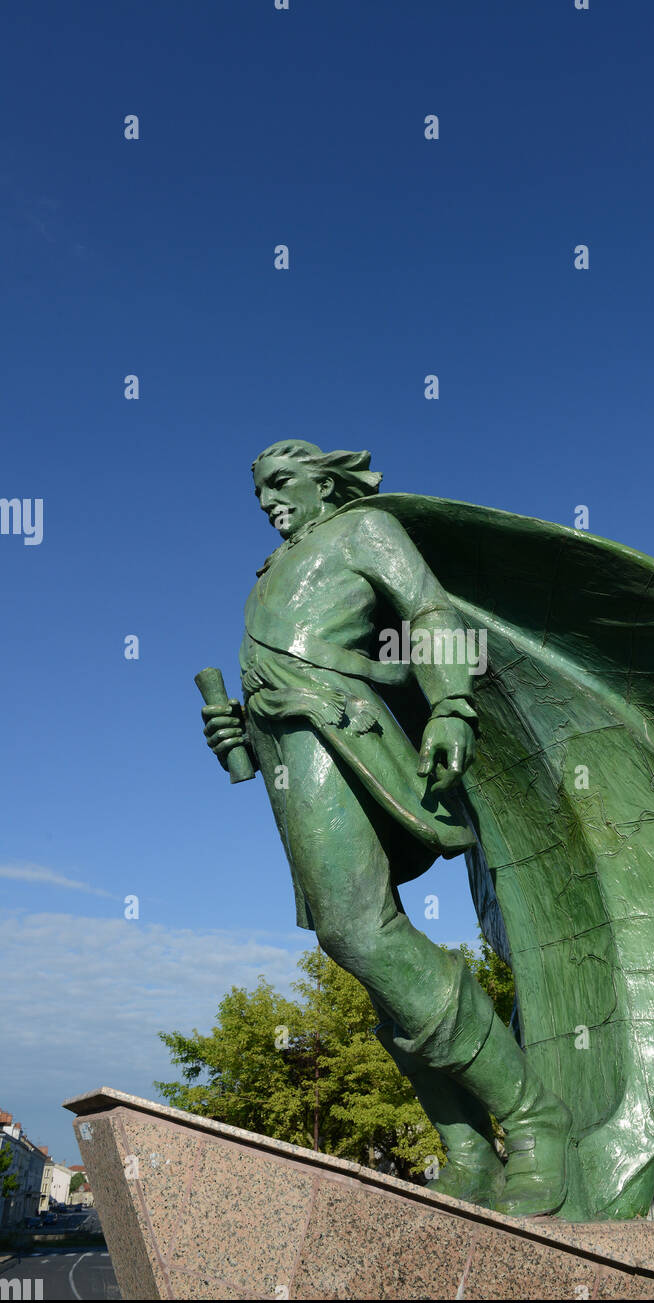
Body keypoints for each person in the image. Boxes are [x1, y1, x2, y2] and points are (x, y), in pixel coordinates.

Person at [201, 439, 572, 1217]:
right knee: (358, 945)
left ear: (324, 481)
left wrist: (450, 705)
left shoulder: (363, 529)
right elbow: (320, 654)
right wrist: (234, 727)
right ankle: (467, 1149)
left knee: (358, 932)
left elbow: (427, 611)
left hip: (345, 734)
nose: (269, 500)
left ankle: (536, 1118)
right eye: (259, 491)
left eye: (282, 482)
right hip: (286, 750)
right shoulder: (269, 573)